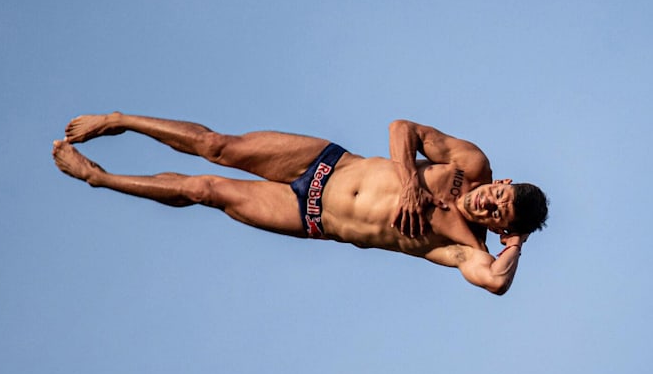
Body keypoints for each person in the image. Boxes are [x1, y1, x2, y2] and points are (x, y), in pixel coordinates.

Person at [53, 112, 548, 295]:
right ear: (500, 180)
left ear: (500, 228)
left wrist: (517, 243)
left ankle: (102, 179)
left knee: (204, 190)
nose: (486, 203)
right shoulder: (470, 162)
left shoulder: (462, 244)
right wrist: (411, 183)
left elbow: (496, 282)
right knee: (218, 146)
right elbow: (404, 128)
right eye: (497, 194)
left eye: (496, 213)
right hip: (327, 162)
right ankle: (120, 121)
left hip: (310, 217)